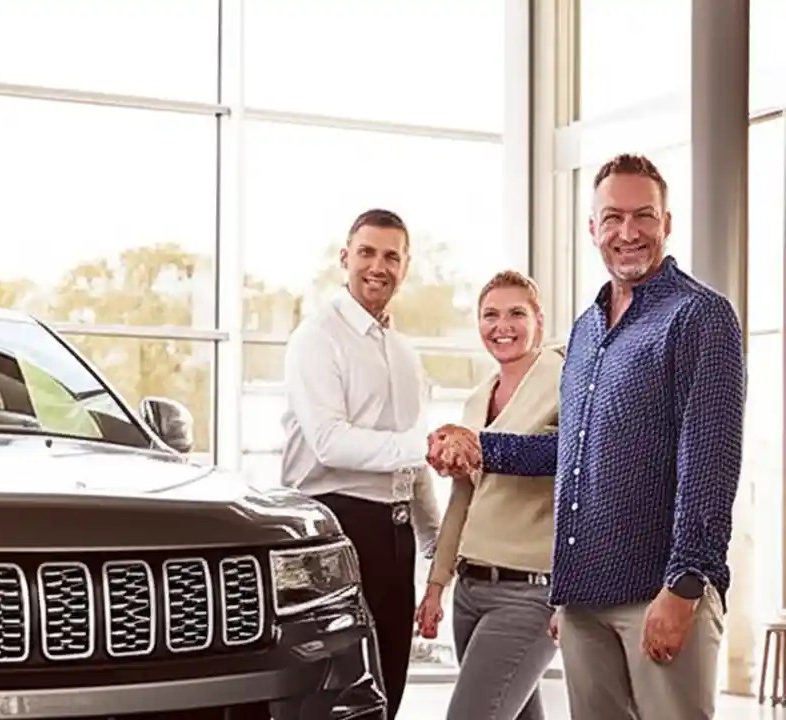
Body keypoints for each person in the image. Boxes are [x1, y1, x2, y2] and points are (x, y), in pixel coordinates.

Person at [427, 153, 743, 720]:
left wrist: (686, 585)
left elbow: (710, 463)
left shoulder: (699, 317)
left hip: (657, 592)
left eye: (643, 216)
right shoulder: (588, 329)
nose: (628, 232)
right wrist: (483, 445)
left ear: (667, 223)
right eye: (612, 218)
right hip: (583, 600)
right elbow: (575, 449)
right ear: (593, 228)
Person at [281, 208, 440, 718]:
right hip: (334, 527)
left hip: (394, 535)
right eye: (367, 252)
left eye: (391, 256)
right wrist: (427, 446)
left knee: (389, 680)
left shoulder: (404, 353)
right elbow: (330, 443)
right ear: (344, 258)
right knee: (334, 687)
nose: (378, 266)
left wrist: (434, 540)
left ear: (405, 266)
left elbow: (410, 465)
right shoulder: (317, 338)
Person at [413, 270, 562, 720]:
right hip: (471, 592)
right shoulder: (477, 399)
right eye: (490, 315)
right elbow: (463, 499)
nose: (503, 326)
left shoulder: (566, 380)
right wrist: (437, 584)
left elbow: (576, 473)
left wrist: (571, 595)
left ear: (538, 318)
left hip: (529, 594)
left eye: (517, 313)